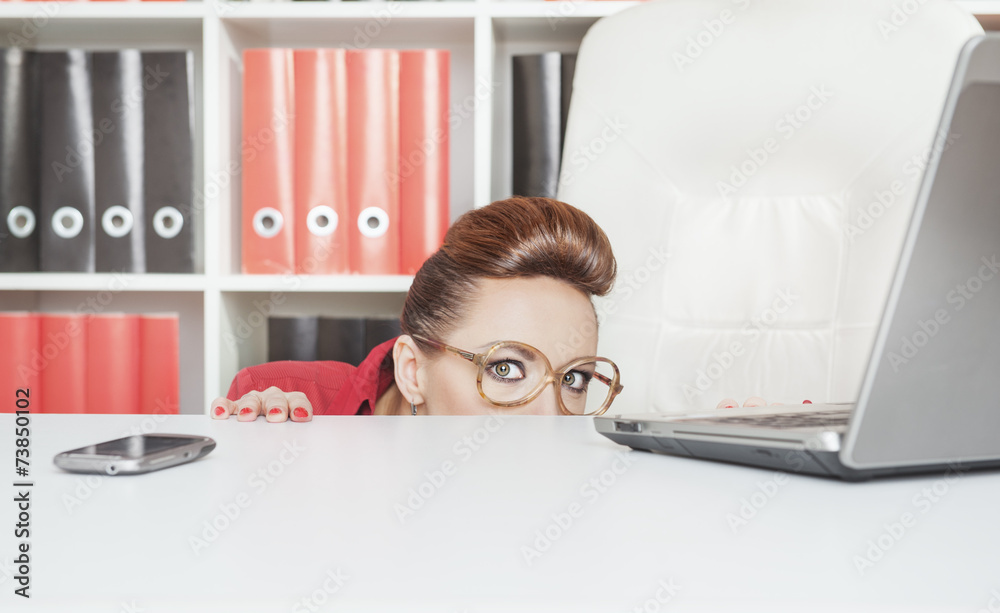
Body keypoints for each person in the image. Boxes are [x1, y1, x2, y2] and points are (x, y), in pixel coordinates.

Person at [211, 196, 624, 420]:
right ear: (412, 370)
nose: (550, 421)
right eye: (505, 368)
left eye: (574, 378)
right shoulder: (293, 402)